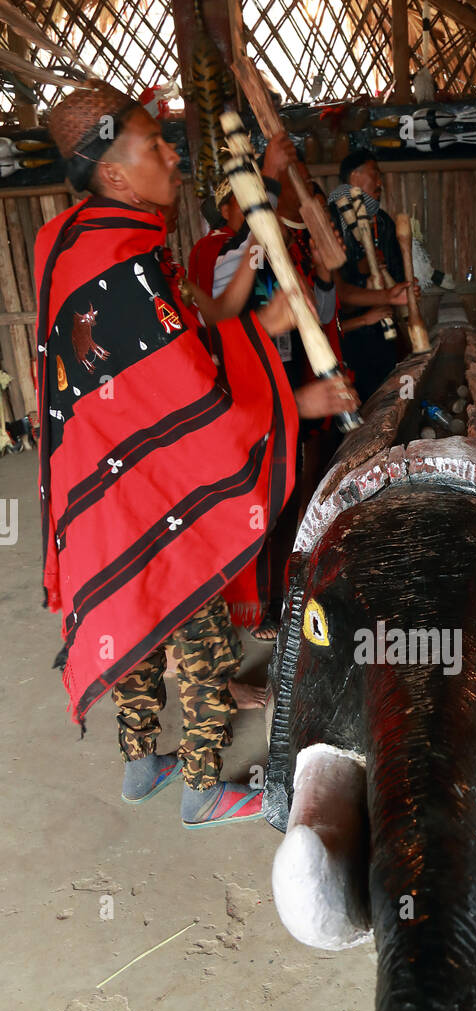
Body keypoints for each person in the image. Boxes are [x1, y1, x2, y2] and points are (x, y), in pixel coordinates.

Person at [38, 84, 357, 828]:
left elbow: (185, 335)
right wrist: (298, 402)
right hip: (152, 484)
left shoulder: (78, 242)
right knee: (199, 627)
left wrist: (262, 318)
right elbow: (191, 395)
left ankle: (141, 763)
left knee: (132, 614)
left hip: (102, 478)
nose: (175, 158)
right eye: (156, 146)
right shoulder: (118, 258)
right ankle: (204, 788)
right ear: (114, 174)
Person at [327, 152, 410, 402]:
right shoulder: (332, 218)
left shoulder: (383, 222)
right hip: (349, 336)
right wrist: (362, 271)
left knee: (387, 399)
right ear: (355, 176)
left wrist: (401, 288)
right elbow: (334, 290)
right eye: (375, 174)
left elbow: (396, 272)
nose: (379, 183)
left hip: (384, 333)